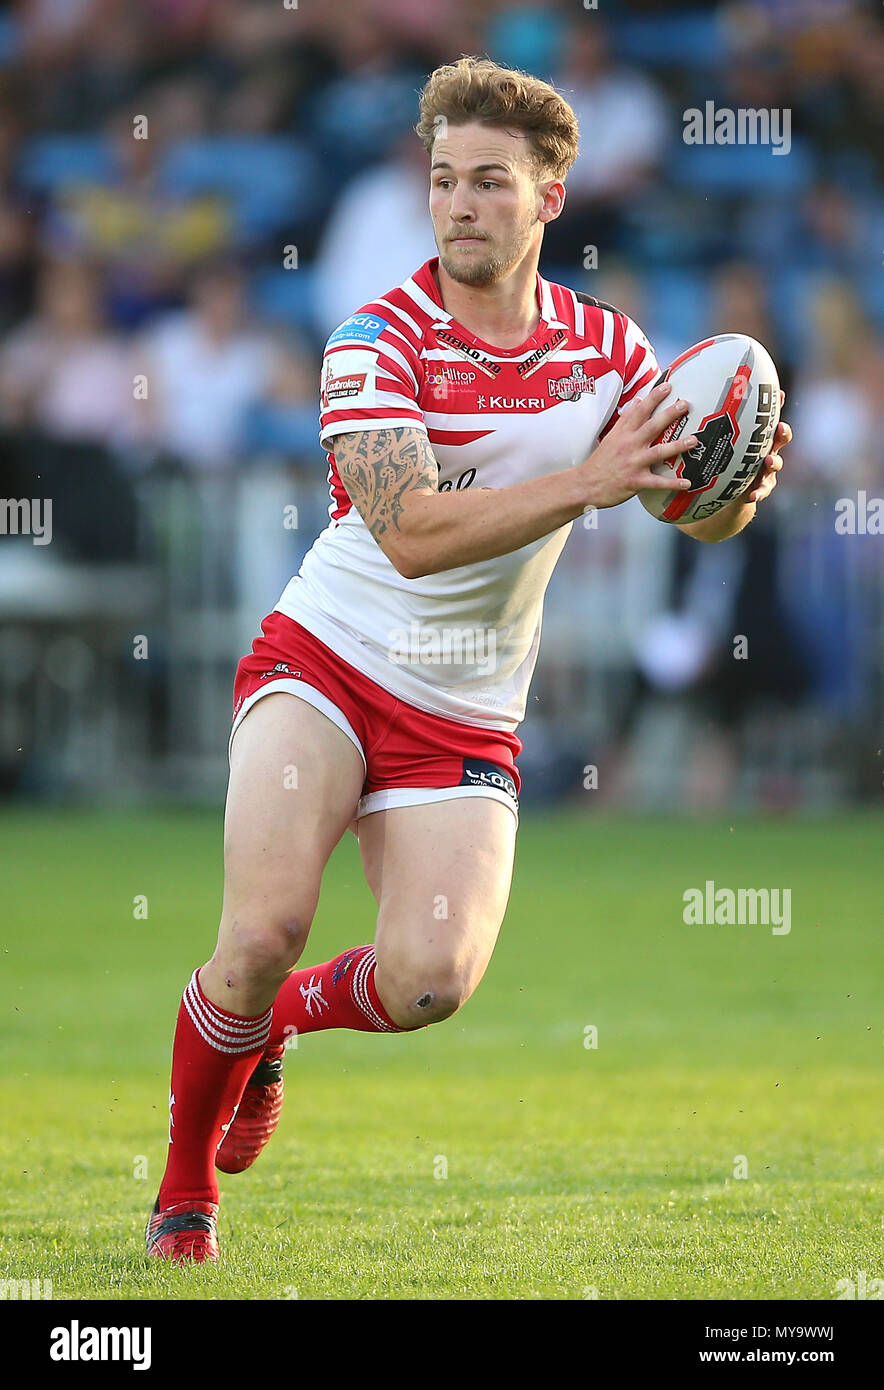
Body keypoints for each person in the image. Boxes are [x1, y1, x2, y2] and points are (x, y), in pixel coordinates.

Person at [146, 56, 791, 1261]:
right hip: (328, 660)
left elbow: (673, 506)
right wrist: (588, 479)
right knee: (258, 931)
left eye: (490, 182)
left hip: (464, 706)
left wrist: (729, 485)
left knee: (430, 978)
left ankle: (277, 1028)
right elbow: (409, 532)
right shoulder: (372, 337)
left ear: (549, 197)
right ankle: (185, 1195)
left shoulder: (607, 349)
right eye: (441, 179)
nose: (458, 206)